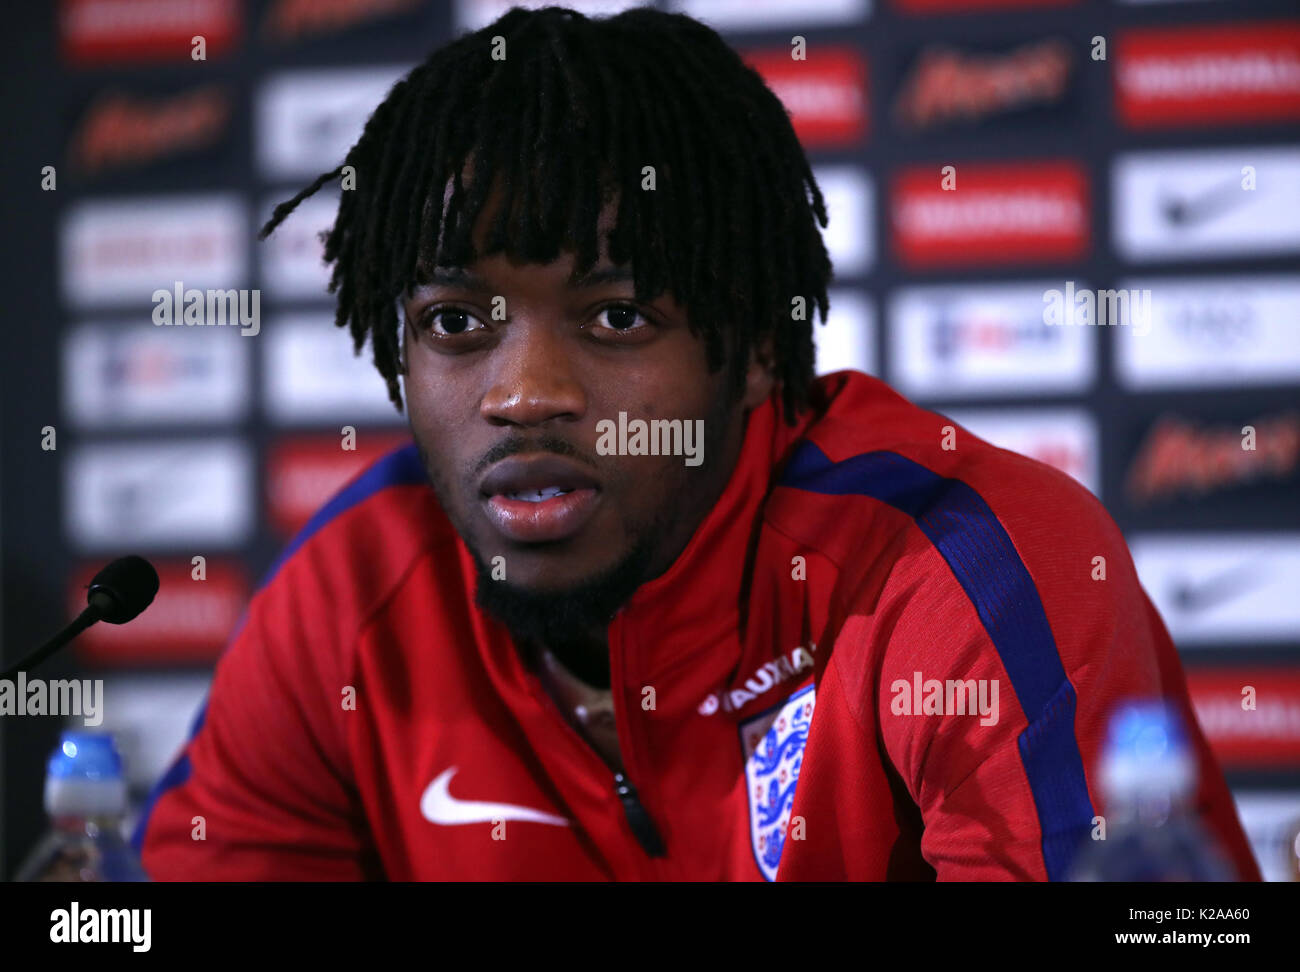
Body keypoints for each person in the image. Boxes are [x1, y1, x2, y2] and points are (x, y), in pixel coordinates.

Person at [133, 5, 1260, 880]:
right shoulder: (350, 597)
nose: (524, 395)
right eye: (455, 322)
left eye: (618, 316)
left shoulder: (965, 574)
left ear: (758, 350)